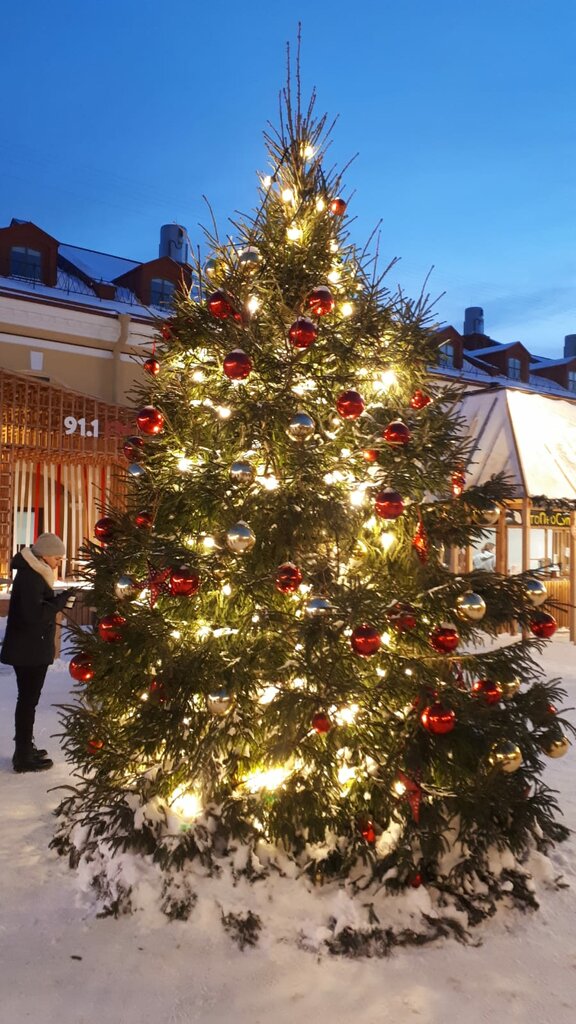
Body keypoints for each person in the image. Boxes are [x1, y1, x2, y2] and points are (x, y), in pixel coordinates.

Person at [1, 533, 76, 773]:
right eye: (57, 557)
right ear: (43, 555)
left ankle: (25, 748)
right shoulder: (31, 576)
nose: (59, 562)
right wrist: (60, 601)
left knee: (28, 701)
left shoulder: (33, 573)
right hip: (28, 651)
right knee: (27, 702)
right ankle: (22, 756)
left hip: (29, 648)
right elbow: (35, 615)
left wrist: (57, 599)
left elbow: (36, 606)